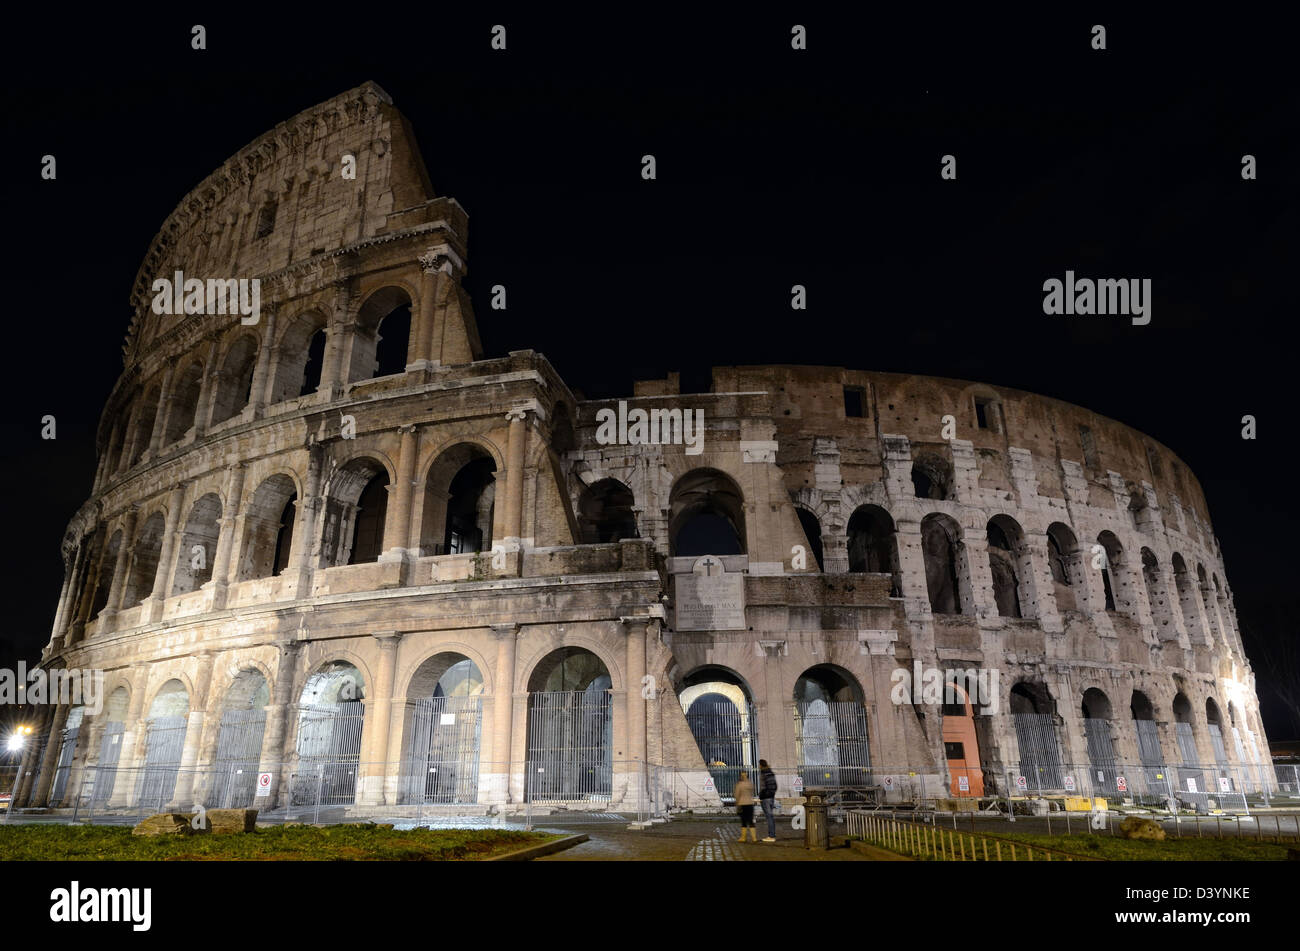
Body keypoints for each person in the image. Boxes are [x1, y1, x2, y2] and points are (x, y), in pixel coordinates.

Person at [733, 770, 757, 842]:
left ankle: (743, 838)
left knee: (744, 821)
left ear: (741, 776)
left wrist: (737, 803)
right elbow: (753, 792)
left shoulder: (739, 784)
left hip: (742, 804)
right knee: (750, 820)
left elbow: (737, 795)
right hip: (750, 804)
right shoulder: (750, 784)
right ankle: (754, 838)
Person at [758, 759, 778, 842]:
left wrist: (762, 795)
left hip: (766, 798)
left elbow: (763, 787)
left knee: (769, 816)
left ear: (761, 765)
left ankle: (771, 836)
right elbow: (775, 786)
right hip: (771, 797)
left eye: (759, 765)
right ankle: (772, 835)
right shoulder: (770, 772)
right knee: (770, 816)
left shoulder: (764, 773)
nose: (758, 766)